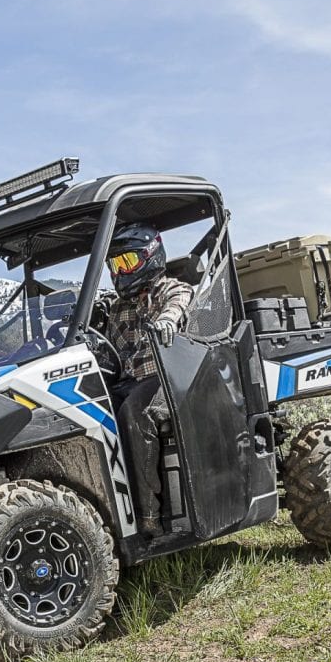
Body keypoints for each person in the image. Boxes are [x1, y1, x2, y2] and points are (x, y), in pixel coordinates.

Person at [103, 223, 194, 537]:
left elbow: (178, 305)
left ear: (150, 256)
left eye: (126, 262)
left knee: (136, 413)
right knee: (97, 412)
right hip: (129, 381)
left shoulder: (171, 288)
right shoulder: (117, 308)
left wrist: (168, 321)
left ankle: (148, 516)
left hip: (165, 381)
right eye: (115, 265)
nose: (120, 270)